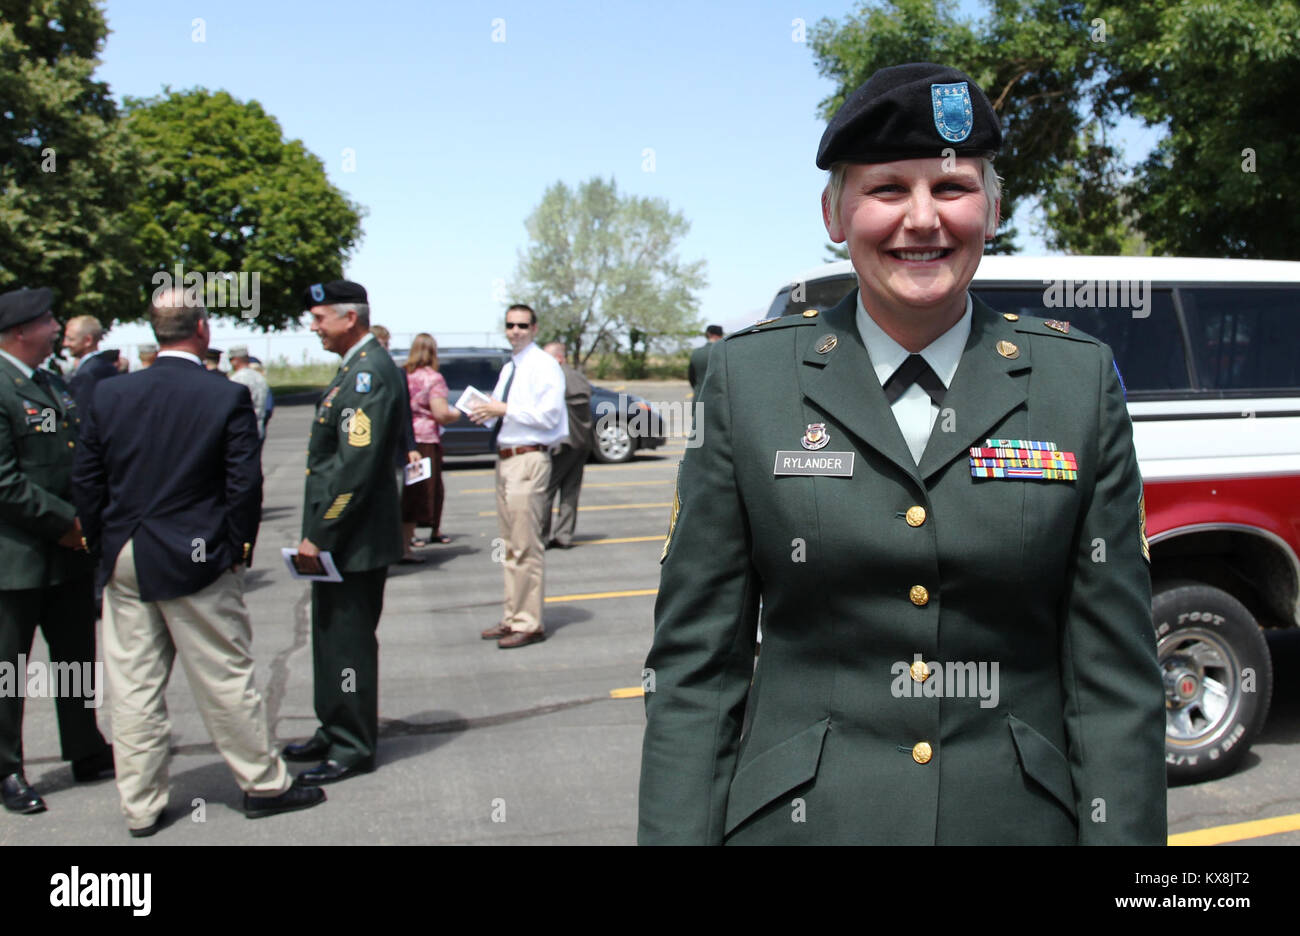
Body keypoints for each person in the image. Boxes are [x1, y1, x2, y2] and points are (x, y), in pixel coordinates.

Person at [638, 63, 1166, 845]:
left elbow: (1114, 680)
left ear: (993, 209)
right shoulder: (748, 383)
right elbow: (695, 673)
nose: (922, 219)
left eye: (951, 188)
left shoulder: (1074, 383)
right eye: (887, 189)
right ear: (834, 213)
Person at [72, 288, 324, 836]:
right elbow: (244, 485)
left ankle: (140, 805)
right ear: (202, 329)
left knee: (133, 686)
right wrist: (238, 550)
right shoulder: (224, 395)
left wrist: (102, 547)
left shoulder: (110, 394)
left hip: (128, 550)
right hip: (196, 553)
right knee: (224, 676)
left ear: (154, 331)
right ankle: (262, 783)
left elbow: (87, 481)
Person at [283, 281, 406, 784]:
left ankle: (352, 744)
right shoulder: (354, 368)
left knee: (349, 646)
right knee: (330, 640)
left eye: (320, 318)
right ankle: (333, 726)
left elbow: (356, 469)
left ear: (349, 318)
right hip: (341, 537)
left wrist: (321, 533)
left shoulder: (368, 375)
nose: (314, 328)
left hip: (352, 539)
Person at [0, 288, 114, 815]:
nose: (56, 327)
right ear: (21, 331)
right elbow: (5, 482)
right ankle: (7, 768)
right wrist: (65, 523)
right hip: (16, 557)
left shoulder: (49, 381)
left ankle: (85, 747)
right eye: (48, 320)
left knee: (75, 657)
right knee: (9, 669)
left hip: (68, 552)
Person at [470, 304, 567, 649]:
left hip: (528, 458)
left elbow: (549, 414)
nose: (515, 331)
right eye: (510, 325)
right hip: (506, 459)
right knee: (510, 546)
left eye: (522, 325)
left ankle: (529, 622)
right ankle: (513, 616)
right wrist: (484, 409)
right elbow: (501, 409)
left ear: (534, 329)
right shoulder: (511, 366)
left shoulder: (543, 365)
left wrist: (504, 408)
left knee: (526, 546)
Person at [400, 333, 460, 559]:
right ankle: (409, 543)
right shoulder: (433, 379)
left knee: (407, 490)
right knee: (424, 491)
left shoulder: (403, 375)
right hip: (425, 441)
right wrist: (456, 414)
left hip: (404, 439)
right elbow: (440, 413)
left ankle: (407, 537)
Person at [541, 341, 593, 549]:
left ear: (559, 358)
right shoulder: (579, 377)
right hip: (582, 443)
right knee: (570, 490)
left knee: (546, 490)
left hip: (561, 443)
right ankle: (564, 535)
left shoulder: (554, 378)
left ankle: (541, 536)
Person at [62, 314, 121, 410]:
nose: (65, 343)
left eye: (71, 339)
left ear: (88, 340)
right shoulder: (106, 365)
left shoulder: (87, 373)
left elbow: (80, 412)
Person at [227, 345, 270, 441]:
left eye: (230, 360)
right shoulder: (259, 377)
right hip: (259, 427)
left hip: (242, 430)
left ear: (236, 360)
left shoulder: (237, 379)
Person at [687, 325, 723, 398]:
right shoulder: (725, 352)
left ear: (708, 334)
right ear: (721, 335)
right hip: (719, 400)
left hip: (699, 397)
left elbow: (691, 377)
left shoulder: (696, 353)